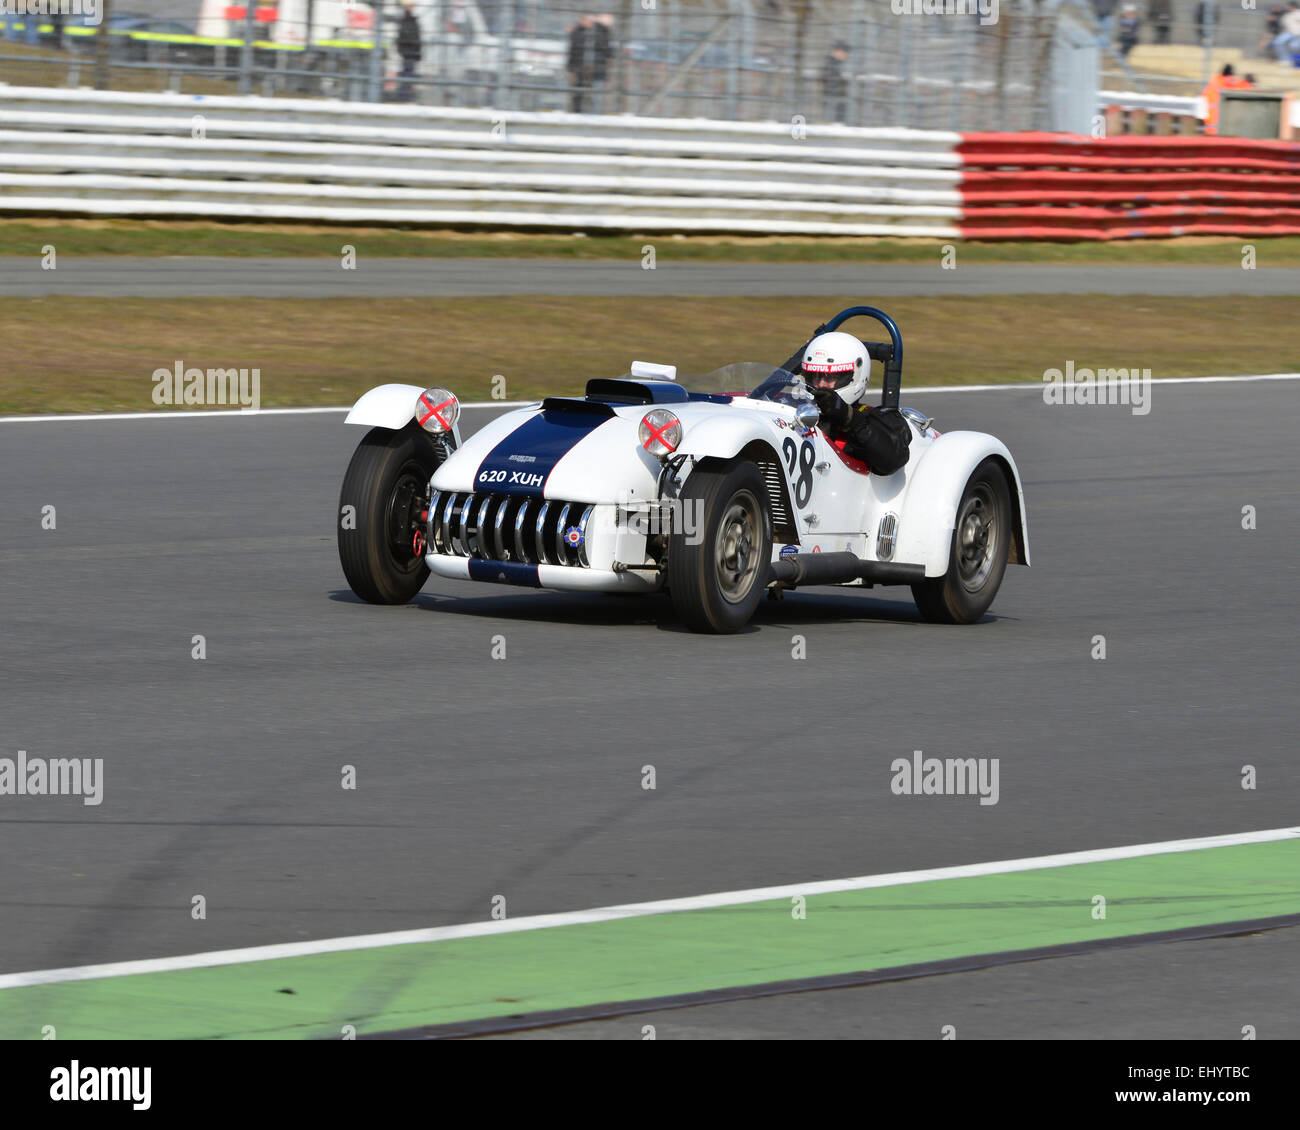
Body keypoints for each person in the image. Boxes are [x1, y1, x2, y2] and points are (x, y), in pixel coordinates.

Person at [787, 332, 911, 475]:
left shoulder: (877, 421)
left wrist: (850, 418)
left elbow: (892, 459)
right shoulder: (797, 408)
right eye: (814, 376)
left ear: (854, 377)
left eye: (830, 376)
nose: (820, 384)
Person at [1201, 63, 1251, 134]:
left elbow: (1238, 87)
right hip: (1216, 127)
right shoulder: (1222, 86)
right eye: (1231, 76)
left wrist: (1245, 83)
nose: (1233, 79)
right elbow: (1238, 88)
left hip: (1213, 126)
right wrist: (1246, 84)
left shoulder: (1214, 84)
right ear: (1227, 76)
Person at [396, 3, 423, 104]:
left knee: (408, 74)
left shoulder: (410, 20)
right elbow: (409, 36)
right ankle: (404, 98)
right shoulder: (408, 20)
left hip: (410, 52)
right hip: (409, 53)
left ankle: (405, 97)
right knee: (407, 75)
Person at [822, 40, 850, 123]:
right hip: (833, 104)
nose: (846, 55)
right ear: (838, 51)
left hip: (835, 103)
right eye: (845, 52)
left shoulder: (836, 64)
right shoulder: (831, 65)